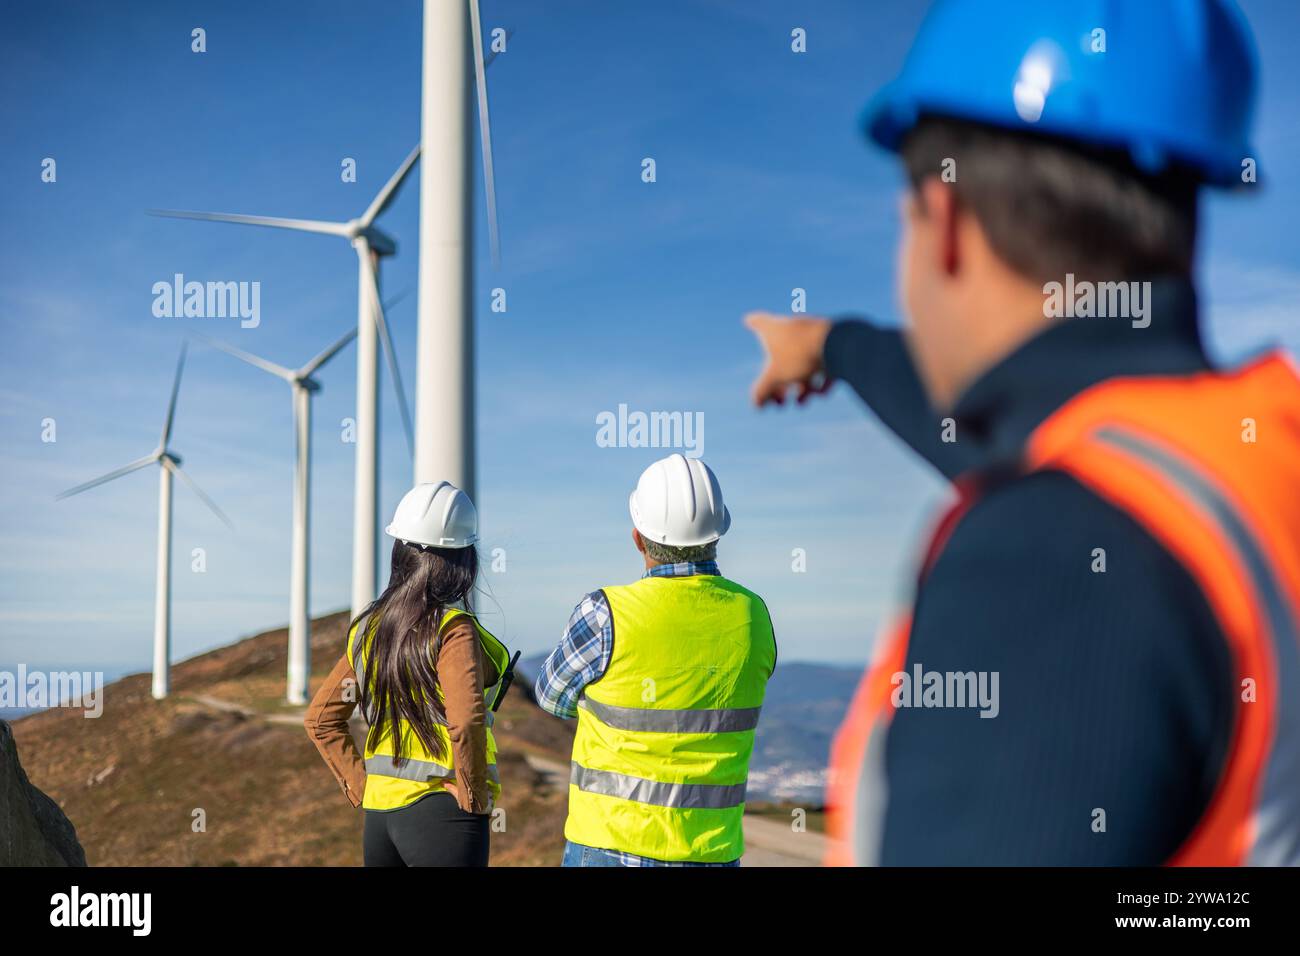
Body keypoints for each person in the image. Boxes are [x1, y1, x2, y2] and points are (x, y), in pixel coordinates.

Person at [746, 0, 1300, 865]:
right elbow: (1022, 420)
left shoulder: (1049, 559)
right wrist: (830, 346)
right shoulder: (1250, 453)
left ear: (947, 221)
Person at [536, 453, 777, 866]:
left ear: (638, 538)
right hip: (712, 852)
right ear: (718, 535)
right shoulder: (754, 614)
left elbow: (551, 697)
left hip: (610, 845)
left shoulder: (606, 613)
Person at [304, 481, 512, 867]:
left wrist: (363, 787)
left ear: (400, 552)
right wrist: (474, 795)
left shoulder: (368, 630)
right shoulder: (452, 628)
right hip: (442, 817)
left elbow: (319, 720)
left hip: (380, 821)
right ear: (463, 560)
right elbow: (465, 721)